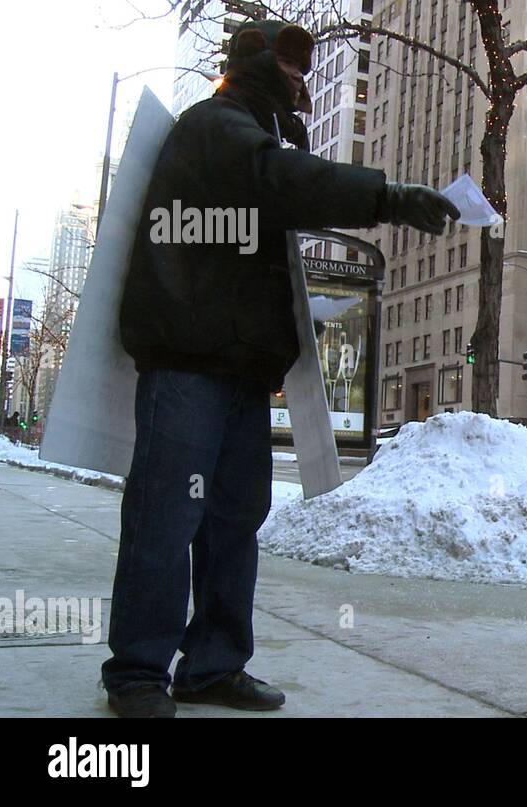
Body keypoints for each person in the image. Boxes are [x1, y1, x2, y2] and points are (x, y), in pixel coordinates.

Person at [103, 19, 459, 718]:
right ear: (255, 65)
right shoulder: (217, 126)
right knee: (166, 517)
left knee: (235, 520)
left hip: (238, 370)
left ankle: (212, 665)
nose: (303, 78)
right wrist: (387, 196)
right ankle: (138, 670)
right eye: (290, 65)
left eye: (306, 66)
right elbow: (278, 177)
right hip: (187, 363)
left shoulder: (250, 134)